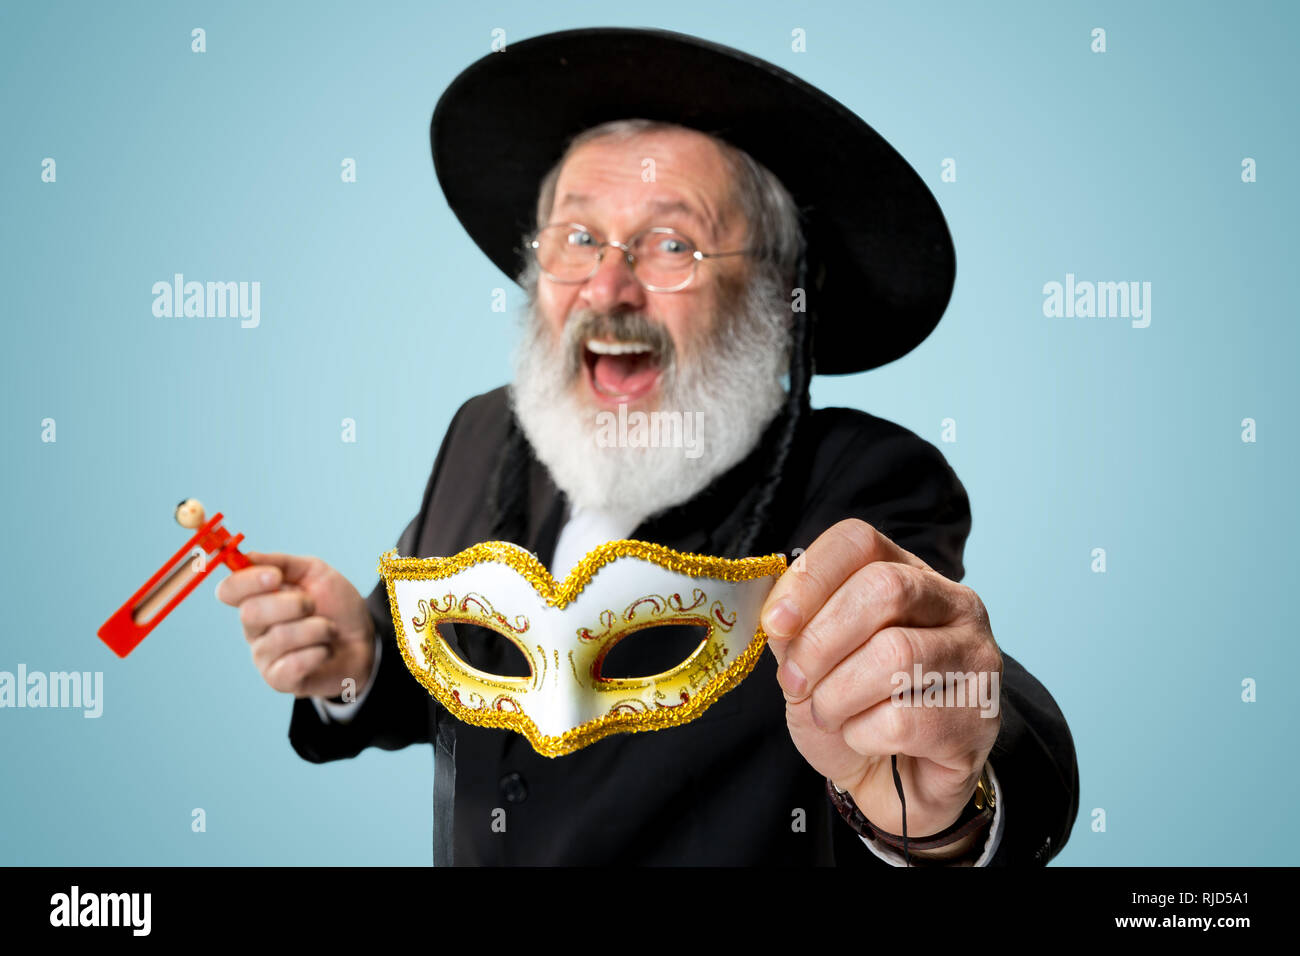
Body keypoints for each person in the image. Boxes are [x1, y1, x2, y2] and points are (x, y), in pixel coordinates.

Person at [216, 27, 1078, 866]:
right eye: (580, 237)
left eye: (672, 244)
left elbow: (943, 694)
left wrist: (947, 805)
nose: (608, 286)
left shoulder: (861, 482)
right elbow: (453, 672)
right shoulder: (484, 431)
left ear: (776, 298)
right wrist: (356, 666)